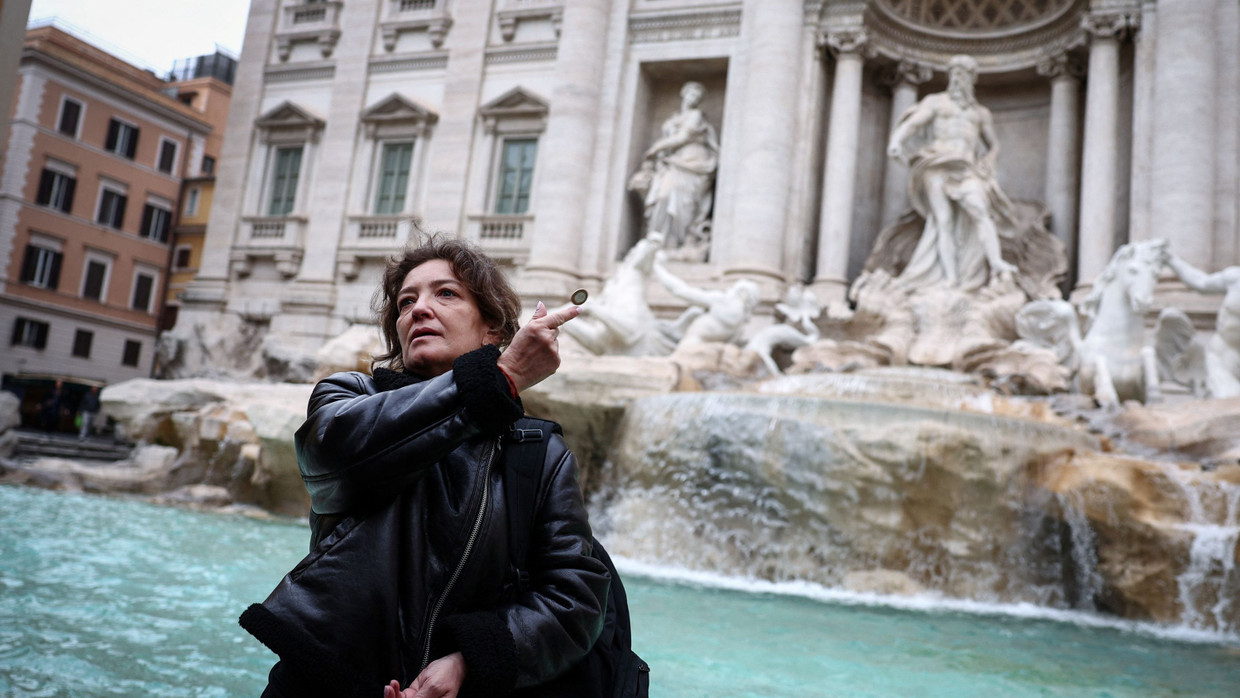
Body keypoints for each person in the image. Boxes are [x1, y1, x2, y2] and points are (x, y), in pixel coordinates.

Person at [241, 235, 610, 698]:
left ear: (492, 330)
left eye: (447, 293)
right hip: (322, 681)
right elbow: (340, 458)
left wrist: (468, 660)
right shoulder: (347, 397)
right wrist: (503, 378)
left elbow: (577, 598)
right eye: (405, 301)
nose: (418, 309)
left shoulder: (538, 453)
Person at [886, 54, 1019, 291]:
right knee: (943, 221)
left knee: (980, 211)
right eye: (956, 73)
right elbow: (912, 124)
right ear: (950, 76)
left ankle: (996, 262)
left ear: (973, 79)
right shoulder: (936, 102)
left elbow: (994, 144)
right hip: (936, 163)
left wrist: (988, 160)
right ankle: (950, 278)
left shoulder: (980, 113)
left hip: (966, 168)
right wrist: (897, 141)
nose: (960, 79)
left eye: (965, 74)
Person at [628, 81, 719, 259]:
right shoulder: (673, 118)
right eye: (691, 94)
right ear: (683, 95)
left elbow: (683, 136)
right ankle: (657, 242)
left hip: (692, 162)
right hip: (673, 162)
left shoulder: (696, 116)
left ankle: (674, 242)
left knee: (681, 201)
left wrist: (656, 148)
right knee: (663, 196)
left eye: (698, 97)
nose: (694, 98)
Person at [1164, 252, 1240, 398]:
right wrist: (1173, 260)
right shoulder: (1235, 277)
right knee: (1226, 397)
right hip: (1222, 353)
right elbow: (1200, 282)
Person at [652, 251, 758, 347]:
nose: (728, 289)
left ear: (740, 292)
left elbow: (681, 290)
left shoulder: (723, 301)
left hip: (690, 346)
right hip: (707, 351)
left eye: (732, 288)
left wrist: (658, 268)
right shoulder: (740, 326)